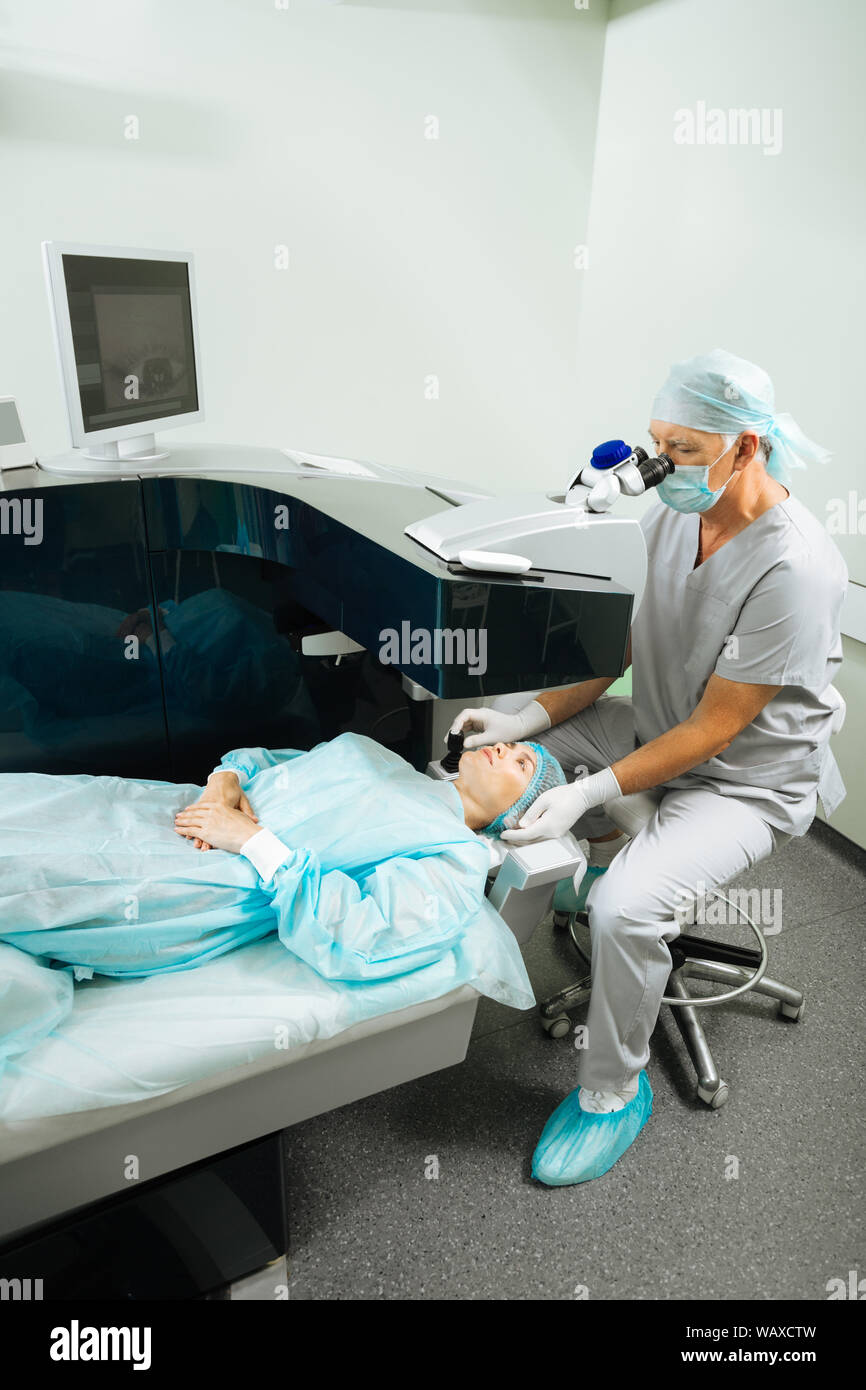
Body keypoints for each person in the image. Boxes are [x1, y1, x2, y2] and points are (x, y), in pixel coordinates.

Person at [448, 349, 848, 1187]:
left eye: (688, 449)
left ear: (749, 447)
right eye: (658, 442)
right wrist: (526, 718)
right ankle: (510, 900)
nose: (665, 465)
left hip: (745, 780)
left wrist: (592, 792)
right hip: (659, 728)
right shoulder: (670, 512)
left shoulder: (797, 567)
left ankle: (612, 1094)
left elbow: (717, 728)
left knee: (628, 909)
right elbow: (616, 649)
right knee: (511, 764)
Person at [0, 731, 564, 982]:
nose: (504, 747)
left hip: (205, 880)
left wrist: (251, 840)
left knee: (32, 870)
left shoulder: (453, 856)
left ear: (519, 819)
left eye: (520, 764)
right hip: (175, 813)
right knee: (32, 803)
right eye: (513, 742)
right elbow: (268, 760)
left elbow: (360, 934)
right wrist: (224, 780)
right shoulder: (377, 756)